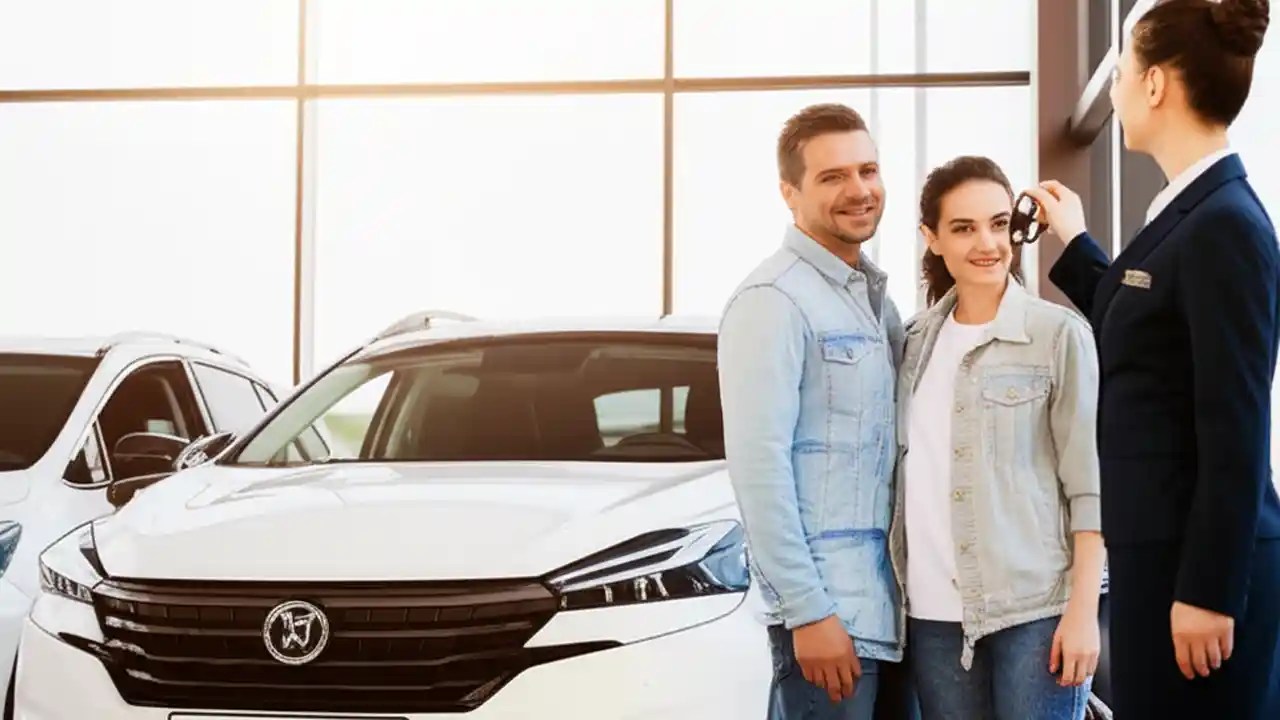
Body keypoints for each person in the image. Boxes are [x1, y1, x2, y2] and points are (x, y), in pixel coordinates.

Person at [1026, 0, 1280, 717]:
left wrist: (1208, 589)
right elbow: (1146, 329)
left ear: (1157, 84)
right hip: (1157, 556)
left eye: (1123, 74)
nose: (1114, 90)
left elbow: (1237, 425)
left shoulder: (1225, 223)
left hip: (1193, 578)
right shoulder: (1190, 211)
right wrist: (1076, 246)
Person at [888, 156, 1106, 720]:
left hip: (1035, 613)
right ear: (931, 238)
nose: (987, 242)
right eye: (963, 228)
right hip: (932, 618)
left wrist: (1083, 615)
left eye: (998, 222)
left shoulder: (1058, 334)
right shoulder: (912, 344)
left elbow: (1089, 487)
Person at [718, 103, 911, 719]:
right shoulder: (772, 301)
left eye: (868, 170)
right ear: (789, 192)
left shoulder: (875, 304)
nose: (859, 190)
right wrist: (808, 612)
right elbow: (759, 470)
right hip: (831, 621)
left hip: (893, 613)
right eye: (832, 177)